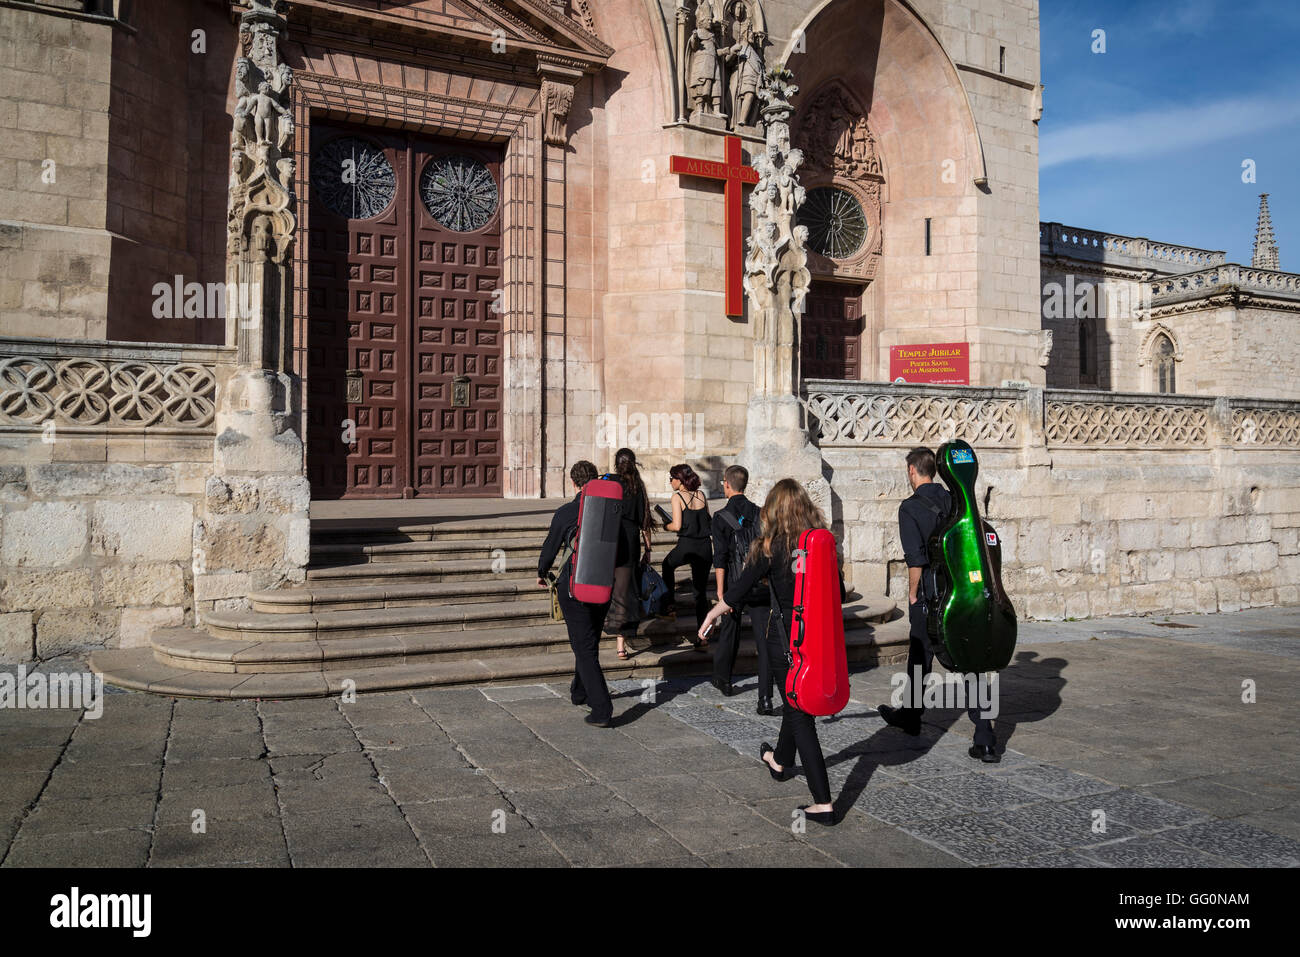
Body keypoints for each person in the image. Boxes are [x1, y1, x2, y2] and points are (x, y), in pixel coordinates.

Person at [699, 478, 838, 826]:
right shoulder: (820, 543)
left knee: (798, 712)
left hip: (784, 638)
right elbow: (840, 590)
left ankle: (823, 802)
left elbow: (739, 589)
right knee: (793, 701)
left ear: (773, 510)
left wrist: (712, 614)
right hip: (817, 636)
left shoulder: (771, 547)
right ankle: (779, 761)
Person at [877, 447, 998, 761]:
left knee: (920, 655)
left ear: (912, 472)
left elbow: (916, 559)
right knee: (970, 661)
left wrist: (914, 594)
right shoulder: (958, 500)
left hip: (932, 594)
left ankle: (912, 717)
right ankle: (985, 737)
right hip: (963, 592)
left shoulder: (910, 508)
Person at [537, 460, 614, 728]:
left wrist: (542, 571)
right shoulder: (612, 510)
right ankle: (579, 691)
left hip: (573, 586)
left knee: (583, 647)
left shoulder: (566, 512)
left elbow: (550, 548)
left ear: (573, 483)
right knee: (588, 642)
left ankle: (602, 709)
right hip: (604, 583)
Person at [707, 465, 771, 705]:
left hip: (735, 581)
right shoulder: (760, 512)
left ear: (726, 484)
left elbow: (720, 557)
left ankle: (723, 678)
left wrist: (722, 591)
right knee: (763, 638)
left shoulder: (721, 516)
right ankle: (766, 695)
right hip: (758, 579)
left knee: (730, 629)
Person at [603, 447, 652, 660]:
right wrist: (648, 549)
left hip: (609, 539)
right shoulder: (637, 486)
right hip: (630, 539)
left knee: (610, 585)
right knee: (624, 587)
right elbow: (645, 522)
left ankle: (614, 635)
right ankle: (621, 642)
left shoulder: (610, 482)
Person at [660, 464, 713, 636]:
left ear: (679, 480)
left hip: (687, 545)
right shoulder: (701, 495)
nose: (670, 482)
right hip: (704, 546)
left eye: (671, 479)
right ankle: (702, 638)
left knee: (667, 565)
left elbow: (676, 525)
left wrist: (665, 526)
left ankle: (669, 606)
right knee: (700, 594)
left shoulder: (677, 497)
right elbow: (707, 519)